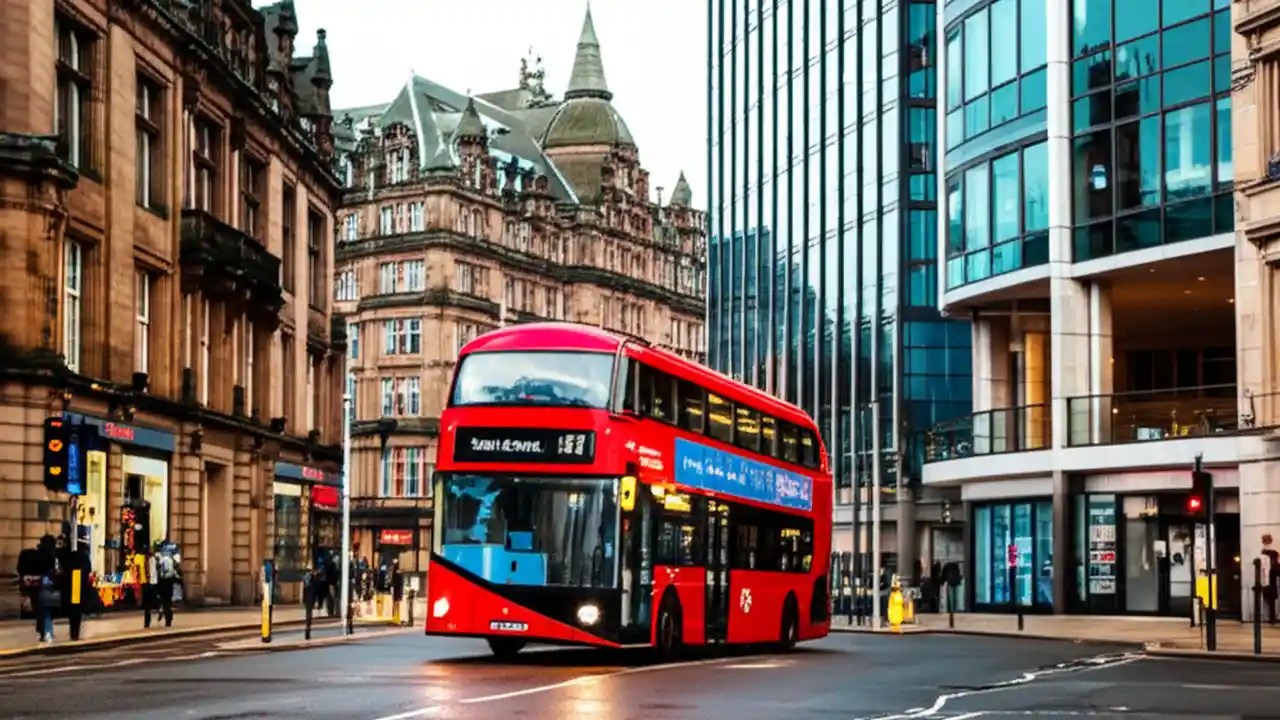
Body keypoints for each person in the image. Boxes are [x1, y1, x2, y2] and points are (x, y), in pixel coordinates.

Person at [33, 535, 59, 644]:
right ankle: (47, 632)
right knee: (47, 610)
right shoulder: (53, 555)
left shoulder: (38, 554)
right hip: (49, 584)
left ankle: (44, 631)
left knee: (42, 610)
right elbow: (55, 570)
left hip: (39, 584)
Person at [153, 540, 181, 627]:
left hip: (163, 582)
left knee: (164, 601)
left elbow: (159, 570)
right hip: (169, 582)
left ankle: (166, 617)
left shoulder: (161, 559)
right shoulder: (171, 558)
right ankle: (168, 617)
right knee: (167, 602)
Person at [1262, 534, 1279, 624]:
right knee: (1269, 599)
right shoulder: (1268, 553)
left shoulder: (1272, 553)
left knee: (1270, 599)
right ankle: (1272, 617)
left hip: (1270, 578)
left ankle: (1272, 617)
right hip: (1268, 578)